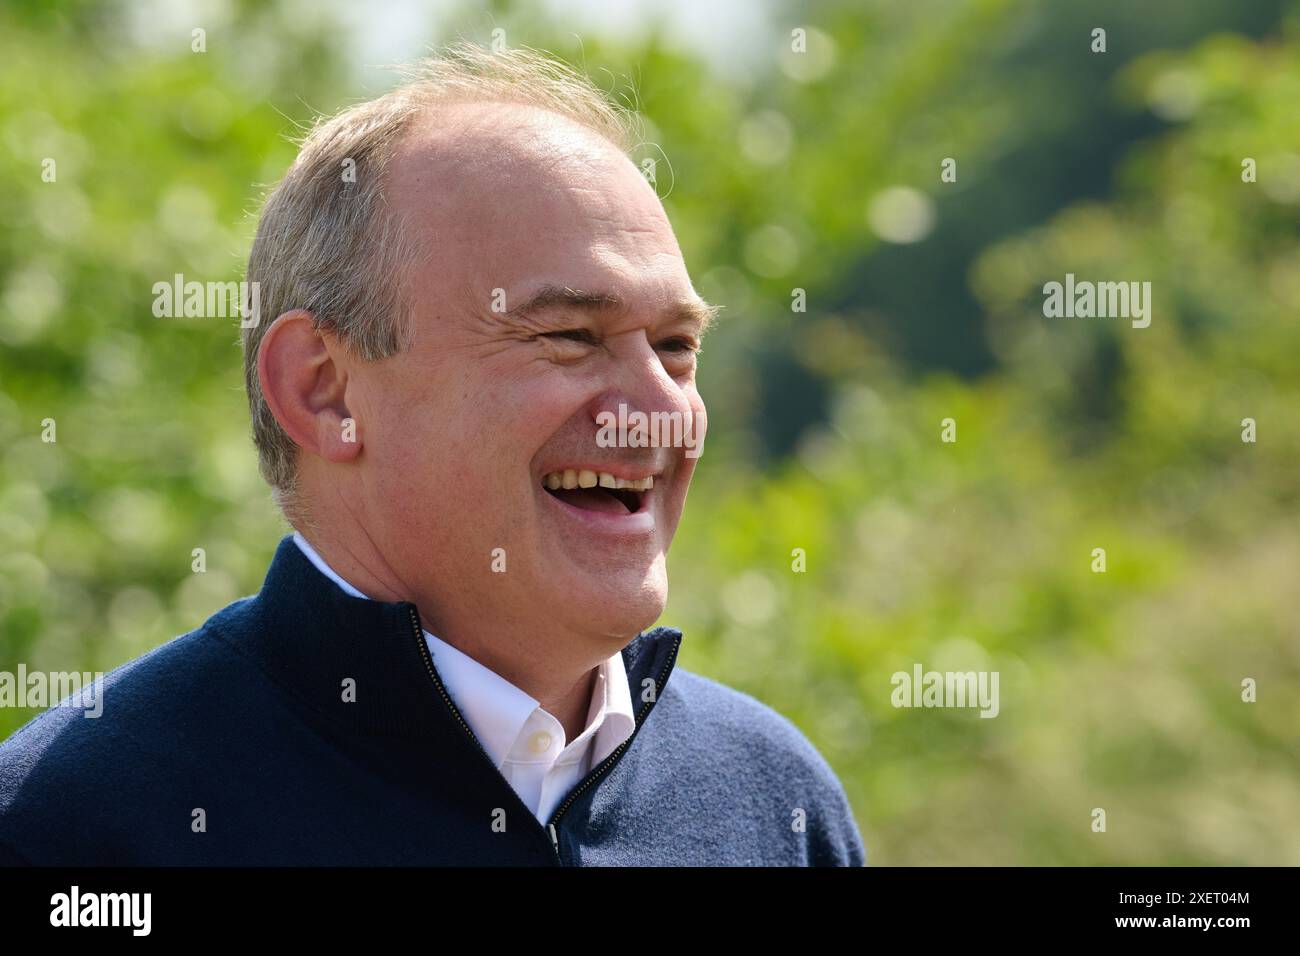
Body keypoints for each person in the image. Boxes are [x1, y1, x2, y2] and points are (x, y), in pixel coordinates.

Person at [0, 43, 865, 866]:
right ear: (324, 390)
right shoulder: (76, 824)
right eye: (569, 335)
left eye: (677, 347)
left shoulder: (773, 801)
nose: (661, 412)